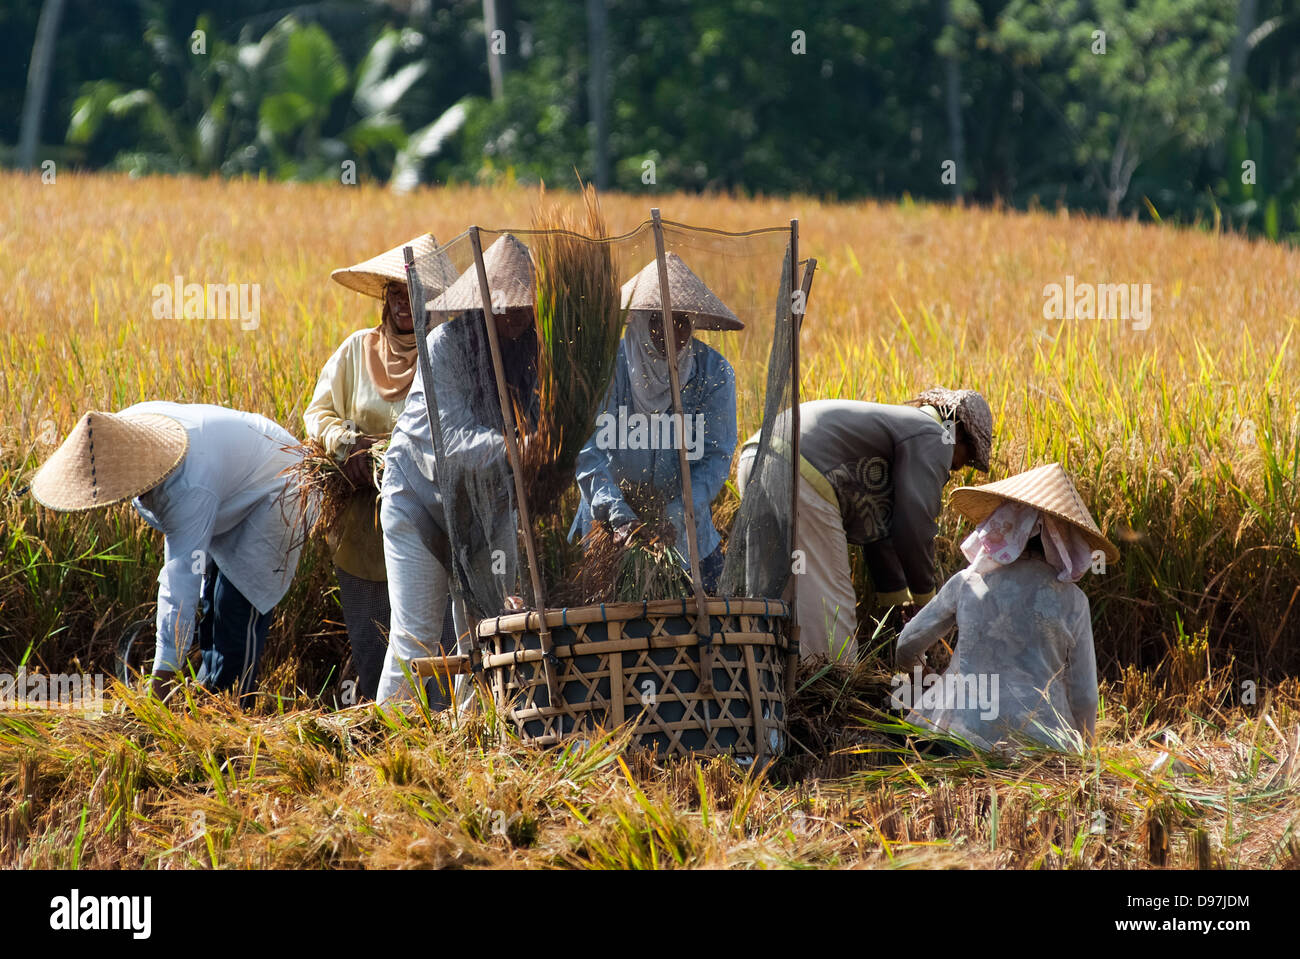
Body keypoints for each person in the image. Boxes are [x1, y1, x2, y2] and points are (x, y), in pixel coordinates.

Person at [30, 403, 312, 699]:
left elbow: (181, 584)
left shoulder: (186, 486)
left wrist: (161, 678)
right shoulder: (115, 438)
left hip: (283, 485)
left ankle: (229, 710)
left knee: (235, 606)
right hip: (232, 480)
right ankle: (209, 694)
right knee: (211, 599)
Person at [377, 233, 538, 705]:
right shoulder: (444, 347)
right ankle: (387, 744)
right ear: (483, 305)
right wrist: (521, 450)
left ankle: (474, 739)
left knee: (487, 631)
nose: (514, 314)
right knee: (417, 637)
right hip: (418, 500)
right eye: (503, 306)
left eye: (522, 305)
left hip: (485, 506)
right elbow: (454, 444)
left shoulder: (533, 352)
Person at [735, 388, 993, 661]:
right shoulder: (934, 435)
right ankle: (832, 688)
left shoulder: (899, 428)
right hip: (801, 470)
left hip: (756, 457)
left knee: (777, 592)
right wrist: (926, 602)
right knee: (829, 613)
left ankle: (764, 677)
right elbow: (914, 524)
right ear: (959, 433)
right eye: (968, 457)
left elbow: (881, 535)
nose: (958, 468)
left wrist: (898, 607)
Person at [306, 234, 448, 702]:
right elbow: (317, 414)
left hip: (425, 525)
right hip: (359, 534)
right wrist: (348, 445)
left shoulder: (441, 355)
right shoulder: (355, 350)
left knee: (429, 649)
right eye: (393, 293)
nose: (401, 303)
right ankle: (383, 744)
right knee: (372, 649)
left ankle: (437, 744)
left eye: (411, 292)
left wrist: (400, 455)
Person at [894, 462, 1115, 752]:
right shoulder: (1073, 600)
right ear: (1063, 540)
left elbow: (906, 646)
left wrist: (920, 672)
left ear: (1004, 525)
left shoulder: (967, 582)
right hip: (1041, 747)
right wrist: (1082, 749)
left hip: (960, 736)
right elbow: (1084, 694)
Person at [570, 253, 740, 592]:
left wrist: (676, 512)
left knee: (705, 630)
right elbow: (587, 452)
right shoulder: (604, 369)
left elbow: (717, 456)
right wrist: (619, 516)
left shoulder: (713, 373)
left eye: (682, 322)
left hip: (687, 534)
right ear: (638, 320)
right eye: (658, 321)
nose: (672, 332)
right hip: (607, 532)